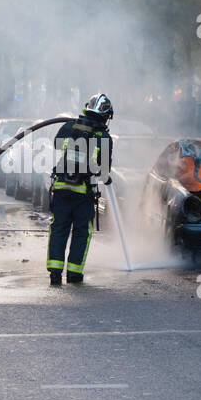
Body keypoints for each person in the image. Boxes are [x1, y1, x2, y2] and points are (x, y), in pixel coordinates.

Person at [46, 92, 114, 286]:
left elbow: (56, 145)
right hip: (83, 193)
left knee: (59, 229)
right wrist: (106, 178)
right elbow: (103, 171)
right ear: (105, 115)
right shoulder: (103, 137)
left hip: (61, 188)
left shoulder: (69, 126)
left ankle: (55, 274)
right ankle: (74, 274)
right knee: (81, 232)